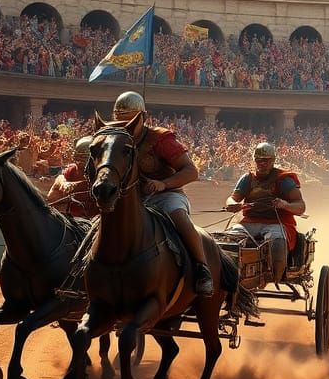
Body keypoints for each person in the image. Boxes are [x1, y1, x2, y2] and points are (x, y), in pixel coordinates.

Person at [111, 90, 213, 296]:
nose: (125, 127)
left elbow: (191, 171)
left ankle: (202, 269)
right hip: (132, 200)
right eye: (120, 121)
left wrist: (163, 184)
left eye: (130, 121)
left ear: (143, 118)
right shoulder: (112, 140)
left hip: (166, 195)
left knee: (178, 217)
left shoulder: (160, 139)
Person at [224, 141, 305, 282]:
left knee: (278, 242)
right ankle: (229, 276)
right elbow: (232, 199)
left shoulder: (284, 179)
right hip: (248, 222)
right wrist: (233, 205)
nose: (262, 163)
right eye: (259, 160)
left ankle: (275, 277)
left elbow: (300, 206)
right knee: (229, 240)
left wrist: (285, 204)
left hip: (276, 223)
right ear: (255, 160)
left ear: (273, 160)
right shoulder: (247, 178)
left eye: (266, 160)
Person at [47, 136, 98, 219]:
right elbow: (60, 179)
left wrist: (74, 186)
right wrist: (64, 183)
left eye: (84, 159)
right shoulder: (72, 170)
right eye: (79, 158)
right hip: (69, 217)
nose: (81, 163)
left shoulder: (98, 176)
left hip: (90, 219)